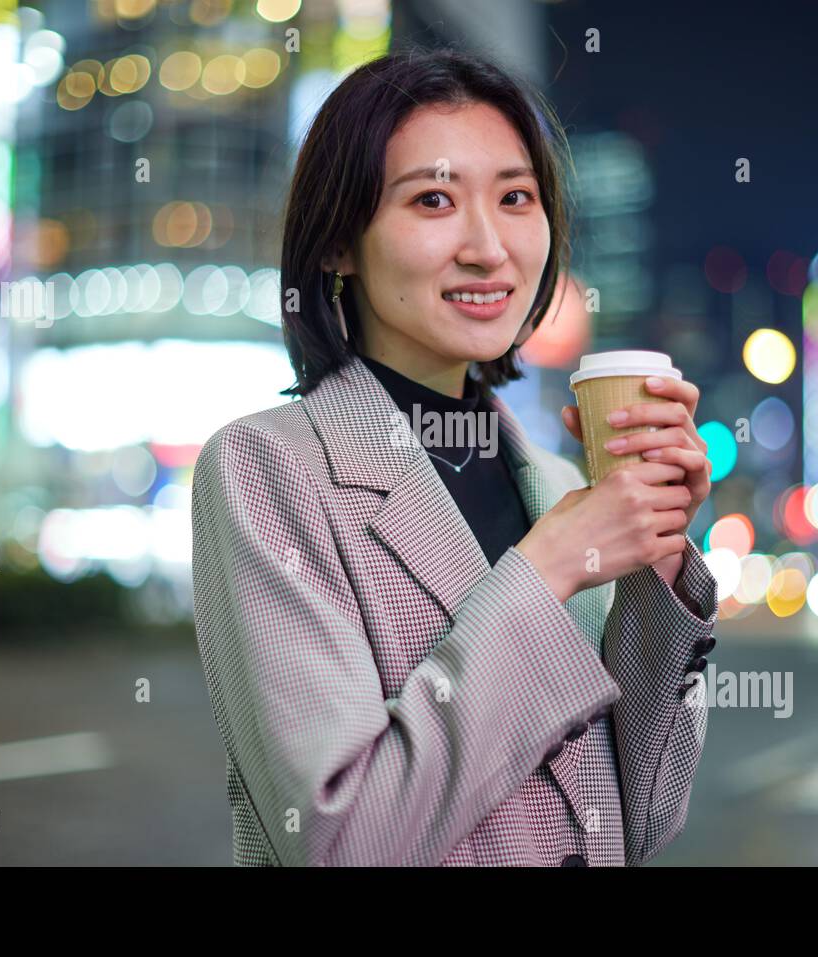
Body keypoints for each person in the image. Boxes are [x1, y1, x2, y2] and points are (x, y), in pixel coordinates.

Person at [191, 47, 718, 866]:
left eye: (516, 197)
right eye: (433, 199)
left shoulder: (559, 484)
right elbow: (341, 843)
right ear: (337, 243)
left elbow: (639, 819)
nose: (487, 247)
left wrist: (656, 559)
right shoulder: (266, 469)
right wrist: (546, 574)